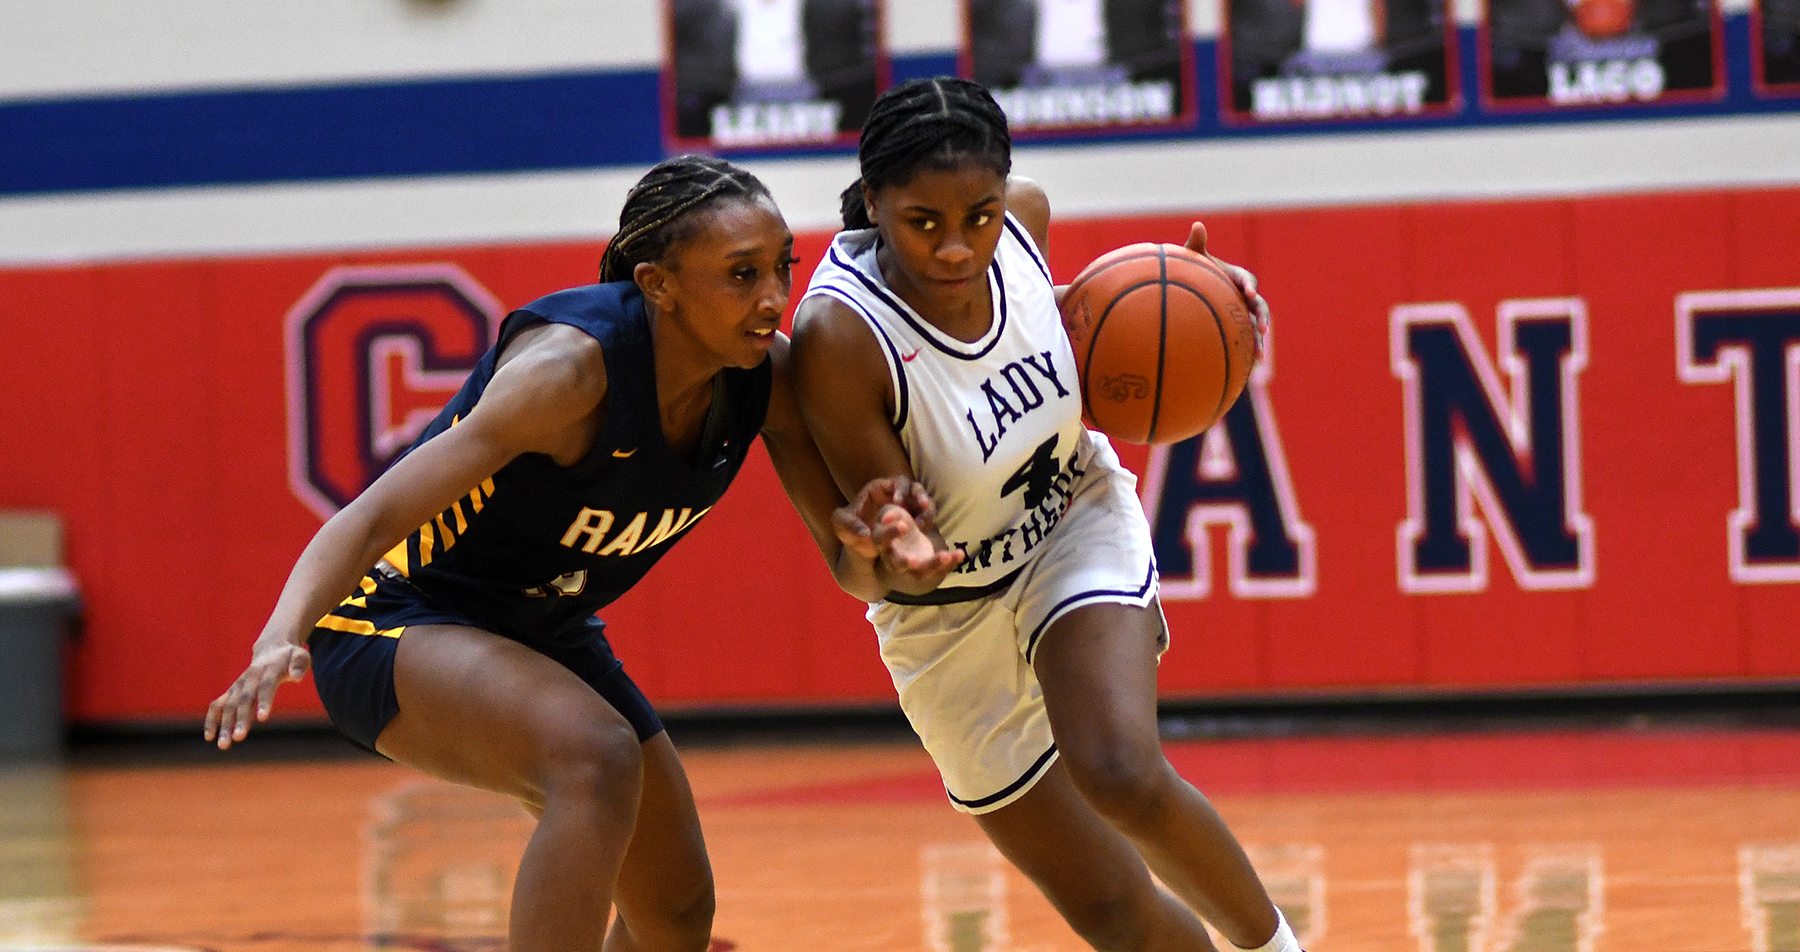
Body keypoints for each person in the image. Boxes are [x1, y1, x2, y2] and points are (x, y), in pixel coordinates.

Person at [204, 154, 874, 952]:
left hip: (539, 628)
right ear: (658, 284)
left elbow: (849, 563)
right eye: (741, 275)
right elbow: (373, 512)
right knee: (594, 756)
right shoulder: (567, 374)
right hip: (391, 618)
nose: (772, 298)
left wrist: (886, 546)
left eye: (779, 269)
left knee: (677, 910)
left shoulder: (766, 375)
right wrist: (281, 631)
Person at [789, 76, 1300, 952]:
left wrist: (1199, 298)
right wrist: (899, 544)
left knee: (1119, 771)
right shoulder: (839, 336)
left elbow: (1086, 353)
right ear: (873, 203)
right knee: (1109, 910)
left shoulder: (1025, 220)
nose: (957, 247)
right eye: (923, 224)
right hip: (947, 616)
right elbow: (887, 520)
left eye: (978, 216)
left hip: (1068, 519)